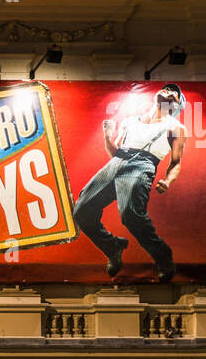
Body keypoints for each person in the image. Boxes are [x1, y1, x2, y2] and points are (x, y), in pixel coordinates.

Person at [73, 83, 188, 283]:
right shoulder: (130, 121)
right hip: (118, 161)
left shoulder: (175, 127)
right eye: (166, 89)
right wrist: (107, 136)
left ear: (177, 104)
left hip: (143, 164)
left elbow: (176, 163)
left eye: (174, 93)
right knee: (81, 210)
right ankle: (112, 247)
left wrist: (168, 181)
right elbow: (115, 153)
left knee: (130, 214)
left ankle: (163, 257)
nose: (168, 91)